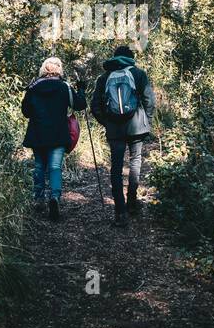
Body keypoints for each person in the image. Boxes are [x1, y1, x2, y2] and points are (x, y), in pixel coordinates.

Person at [90, 45, 154, 227]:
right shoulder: (138, 74)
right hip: (136, 127)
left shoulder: (104, 78)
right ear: (131, 58)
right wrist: (146, 121)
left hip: (115, 129)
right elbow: (149, 100)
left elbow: (95, 106)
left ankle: (120, 212)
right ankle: (132, 202)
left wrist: (108, 122)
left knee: (116, 167)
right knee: (135, 160)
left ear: (115, 58)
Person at [21, 57, 86, 221]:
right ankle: (55, 197)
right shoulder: (65, 87)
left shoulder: (34, 87)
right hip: (58, 133)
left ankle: (38, 199)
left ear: (44, 69)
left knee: (39, 166)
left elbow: (26, 111)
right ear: (59, 70)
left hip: (38, 133)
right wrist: (81, 89)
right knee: (55, 167)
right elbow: (80, 105)